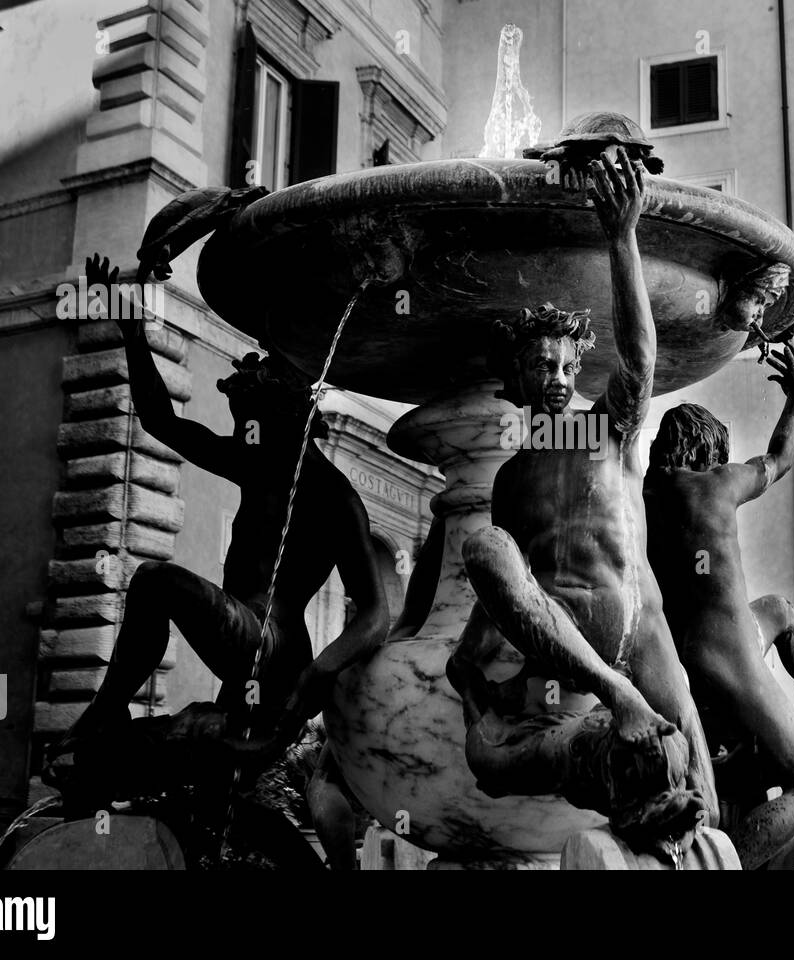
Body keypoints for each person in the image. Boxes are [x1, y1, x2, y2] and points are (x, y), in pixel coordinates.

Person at [49, 254, 389, 869]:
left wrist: (314, 682)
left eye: (252, 396)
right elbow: (159, 420)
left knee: (155, 579)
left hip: (275, 649)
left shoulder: (330, 492)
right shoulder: (256, 463)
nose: (238, 403)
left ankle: (106, 708)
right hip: (245, 657)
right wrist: (131, 328)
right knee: (193, 786)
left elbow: (376, 613)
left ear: (290, 410)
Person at [445, 151, 718, 857]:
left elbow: (640, 354)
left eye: (569, 365)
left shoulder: (608, 427)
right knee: (488, 551)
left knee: (694, 763)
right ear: (517, 379)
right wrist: (470, 662)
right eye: (542, 365)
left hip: (642, 629)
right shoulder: (510, 477)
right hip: (573, 656)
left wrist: (621, 235)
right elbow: (506, 593)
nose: (560, 377)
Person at [642, 344, 794, 859]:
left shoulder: (647, 497)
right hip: (731, 653)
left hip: (680, 656)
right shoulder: (716, 483)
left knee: (777, 610)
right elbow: (780, 458)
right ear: (706, 453)